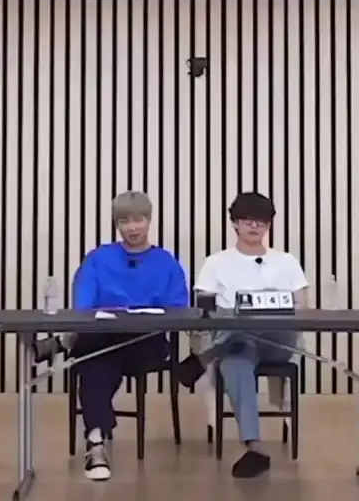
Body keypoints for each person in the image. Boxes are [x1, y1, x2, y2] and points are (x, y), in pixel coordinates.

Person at [176, 192, 308, 479]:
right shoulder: (216, 262)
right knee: (236, 358)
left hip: (277, 341)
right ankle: (254, 447)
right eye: (247, 220)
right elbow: (205, 310)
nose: (254, 226)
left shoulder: (286, 261)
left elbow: (300, 307)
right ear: (235, 224)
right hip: (237, 345)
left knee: (246, 322)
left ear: (269, 225)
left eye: (261, 221)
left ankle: (204, 358)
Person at [72, 191, 188, 482]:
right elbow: (83, 306)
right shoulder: (98, 258)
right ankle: (96, 442)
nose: (132, 228)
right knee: (94, 360)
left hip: (146, 342)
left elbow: (179, 309)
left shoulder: (165, 261)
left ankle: (62, 345)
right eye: (124, 221)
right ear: (116, 224)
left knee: (94, 355)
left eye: (138, 220)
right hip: (104, 337)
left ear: (149, 221)